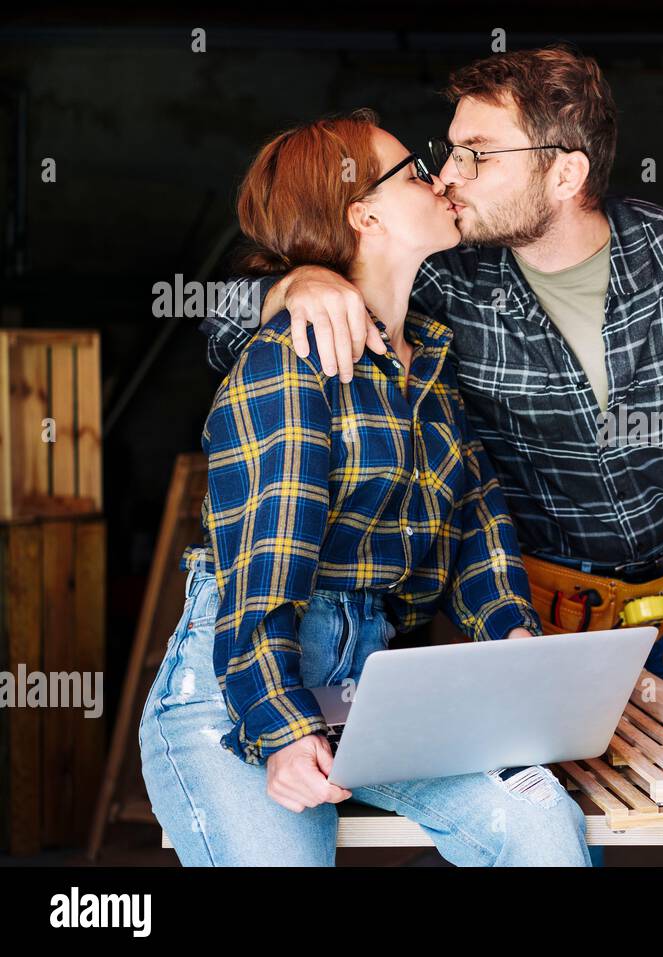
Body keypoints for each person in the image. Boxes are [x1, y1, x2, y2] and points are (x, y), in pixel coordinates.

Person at [202, 46, 663, 866]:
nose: (449, 175)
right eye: (448, 150)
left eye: (478, 154)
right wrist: (296, 286)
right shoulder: (443, 278)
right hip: (542, 613)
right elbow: (224, 324)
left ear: (565, 174)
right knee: (564, 825)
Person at [139, 108, 590, 866]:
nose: (442, 177)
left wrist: (514, 643)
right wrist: (282, 728)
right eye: (417, 170)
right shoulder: (291, 358)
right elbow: (264, 569)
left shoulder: (431, 362)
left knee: (541, 823)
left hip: (372, 692)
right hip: (240, 689)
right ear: (363, 212)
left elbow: (476, 522)